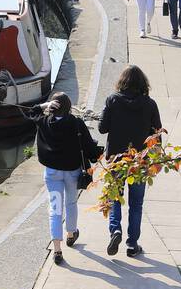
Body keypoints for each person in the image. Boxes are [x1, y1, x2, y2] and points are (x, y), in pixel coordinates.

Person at [99, 66, 162, 258]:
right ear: (143, 83)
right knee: (136, 203)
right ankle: (132, 244)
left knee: (114, 197)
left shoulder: (112, 100)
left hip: (116, 160)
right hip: (139, 161)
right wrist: (155, 161)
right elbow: (156, 136)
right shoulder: (150, 104)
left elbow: (102, 128)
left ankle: (115, 230)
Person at [32, 92, 101, 264]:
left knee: (55, 209)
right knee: (71, 204)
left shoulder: (45, 122)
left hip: (52, 172)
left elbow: (31, 112)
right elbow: (89, 147)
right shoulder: (77, 124)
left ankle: (57, 249)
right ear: (69, 107)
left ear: (52, 107)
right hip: (72, 171)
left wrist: (44, 105)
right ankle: (71, 234)